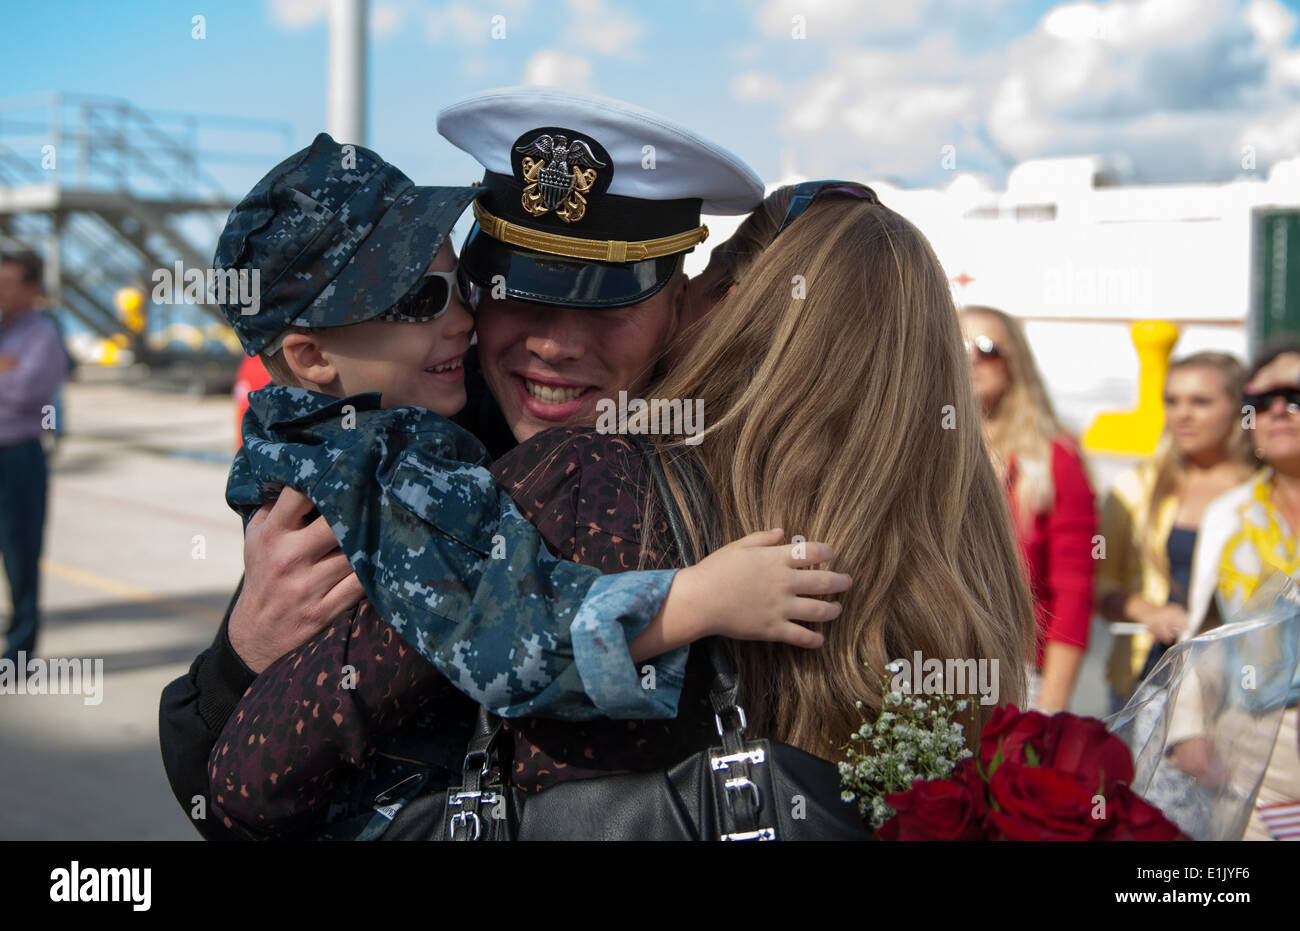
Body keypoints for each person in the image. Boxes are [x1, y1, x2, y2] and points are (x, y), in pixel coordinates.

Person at [159, 91, 776, 838]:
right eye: (518, 296)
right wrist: (241, 655)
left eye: (606, 308)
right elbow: (217, 788)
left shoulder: (747, 467)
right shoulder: (397, 448)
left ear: (677, 302)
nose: (553, 345)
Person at [1173, 344, 1300, 839]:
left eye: (1294, 396)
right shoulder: (1229, 515)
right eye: (1261, 398)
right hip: (1251, 762)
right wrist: (1188, 729)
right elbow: (1203, 628)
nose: (1275, 411)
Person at [1096, 353, 1255, 711]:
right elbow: (1097, 582)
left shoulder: (1261, 492)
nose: (1183, 414)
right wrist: (1144, 611)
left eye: (1201, 401)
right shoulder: (1134, 489)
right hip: (1145, 679)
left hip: (1235, 690)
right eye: (1172, 401)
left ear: (1238, 407)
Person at [959, 306, 1097, 713]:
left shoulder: (1054, 458)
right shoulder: (924, 448)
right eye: (958, 344)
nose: (970, 358)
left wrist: (1048, 714)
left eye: (985, 348)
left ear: (1014, 361)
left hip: (1015, 679)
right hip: (924, 670)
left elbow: (1074, 592)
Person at [0, 251, 70, 664]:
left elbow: (28, 393)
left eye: (8, 282)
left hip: (18, 458)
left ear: (32, 289)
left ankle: (19, 654)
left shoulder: (42, 333)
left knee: (20, 553)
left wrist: (11, 378)